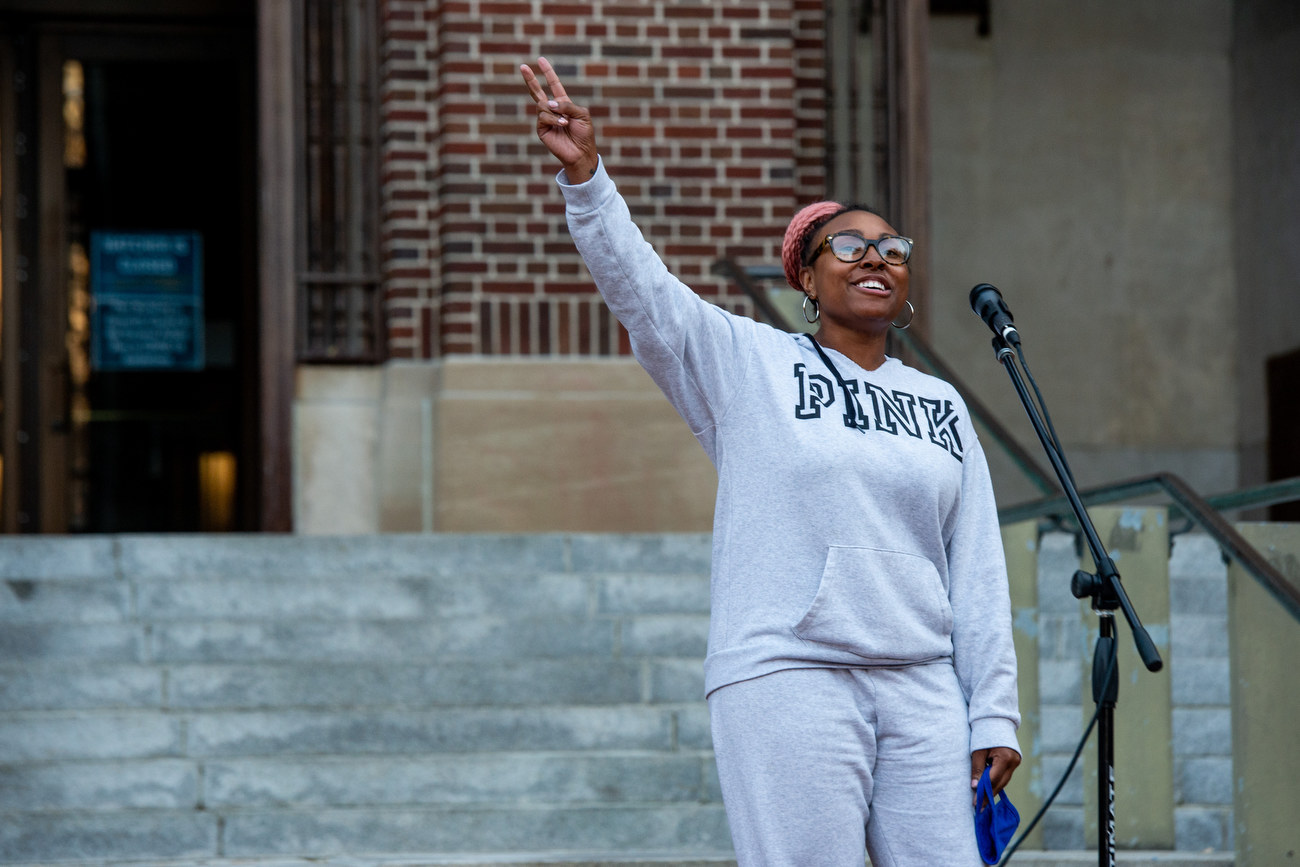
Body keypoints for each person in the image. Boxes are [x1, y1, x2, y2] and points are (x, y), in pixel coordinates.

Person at [521, 57, 1021, 867]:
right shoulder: (750, 362)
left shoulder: (940, 403)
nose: (875, 257)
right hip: (788, 672)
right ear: (808, 279)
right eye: (848, 245)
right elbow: (646, 295)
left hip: (924, 683)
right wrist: (588, 181)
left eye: (891, 248)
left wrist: (993, 710)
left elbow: (978, 568)